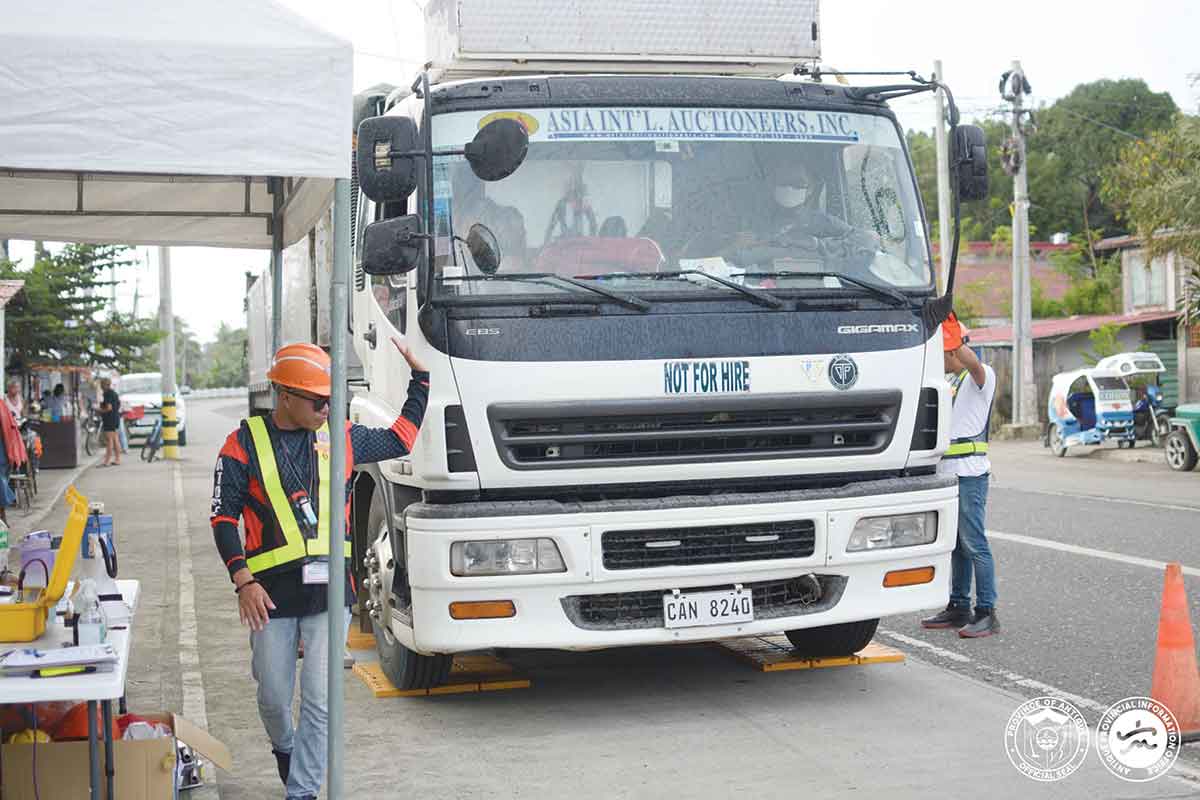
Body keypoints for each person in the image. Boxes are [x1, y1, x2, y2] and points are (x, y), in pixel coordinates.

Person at [209, 339, 428, 800]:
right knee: (272, 695)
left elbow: (402, 437)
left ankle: (302, 791)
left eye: (330, 399)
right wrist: (242, 580)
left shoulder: (343, 437)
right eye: (317, 400)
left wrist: (420, 380)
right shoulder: (243, 443)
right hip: (268, 594)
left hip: (331, 594)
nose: (326, 407)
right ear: (284, 395)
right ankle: (285, 750)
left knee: (320, 700)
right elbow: (222, 516)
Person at [921, 313, 999, 638]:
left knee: (974, 542)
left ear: (954, 350)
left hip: (970, 472)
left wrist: (952, 336)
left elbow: (973, 364)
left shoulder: (981, 377)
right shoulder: (947, 382)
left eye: (943, 351)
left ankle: (987, 612)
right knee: (955, 544)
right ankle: (958, 606)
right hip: (948, 473)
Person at [98, 377, 121, 466]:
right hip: (115, 418)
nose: (100, 387)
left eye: (101, 385)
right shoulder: (114, 393)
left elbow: (108, 408)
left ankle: (107, 461)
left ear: (104, 385)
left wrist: (99, 410)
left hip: (109, 419)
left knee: (109, 440)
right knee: (115, 440)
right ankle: (117, 459)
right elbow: (118, 405)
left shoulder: (107, 394)